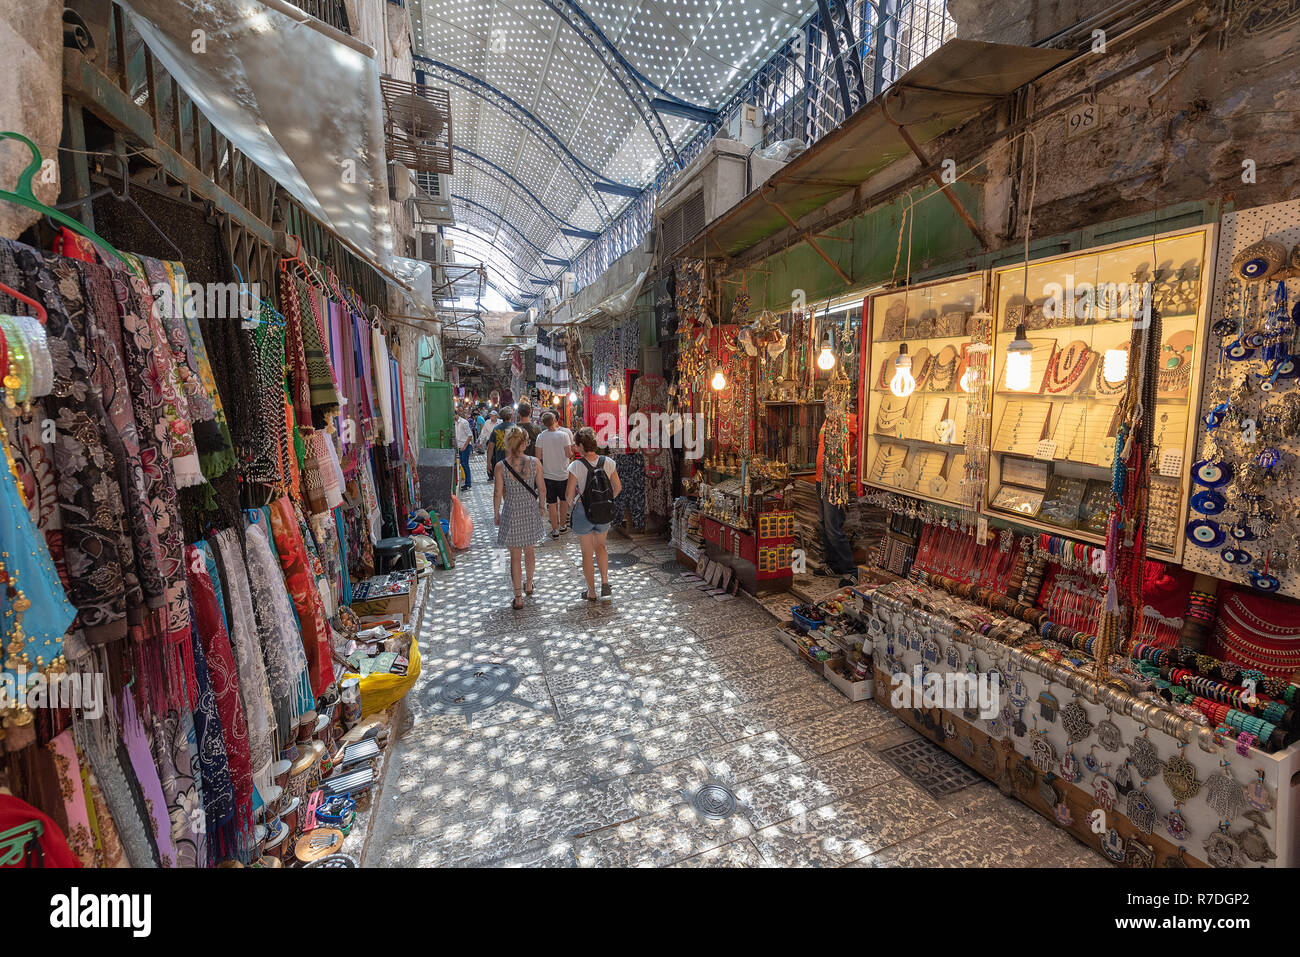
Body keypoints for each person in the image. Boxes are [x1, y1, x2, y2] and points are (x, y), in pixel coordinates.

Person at [493, 426, 547, 610]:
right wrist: (542, 506)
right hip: (530, 511)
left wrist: (496, 513)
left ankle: (518, 597)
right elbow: (542, 488)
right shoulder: (535, 462)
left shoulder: (501, 466)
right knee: (529, 550)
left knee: (514, 557)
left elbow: (498, 492)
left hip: (511, 512)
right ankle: (529, 584)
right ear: (523, 444)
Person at [565, 426, 621, 602]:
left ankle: (591, 592)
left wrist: (573, 506)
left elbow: (568, 494)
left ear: (581, 446)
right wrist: (608, 500)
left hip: (584, 512)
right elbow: (618, 487)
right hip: (604, 510)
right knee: (601, 547)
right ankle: (605, 583)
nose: (575, 448)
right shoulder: (609, 462)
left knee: (587, 553)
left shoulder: (576, 465)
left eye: (576, 445)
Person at [815, 412, 858, 586]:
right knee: (823, 524)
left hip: (837, 481)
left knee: (834, 528)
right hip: (820, 478)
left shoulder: (852, 420)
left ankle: (851, 571)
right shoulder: (827, 419)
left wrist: (851, 461)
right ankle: (834, 565)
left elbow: (863, 447)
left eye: (830, 396)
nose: (827, 400)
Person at [535, 410, 575, 538]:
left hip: (548, 475)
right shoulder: (563, 435)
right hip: (563, 474)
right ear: (555, 421)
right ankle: (563, 525)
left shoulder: (541, 437)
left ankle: (555, 529)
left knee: (551, 503)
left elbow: (537, 456)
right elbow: (569, 454)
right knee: (563, 501)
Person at [486, 407, 513, 480]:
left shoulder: (496, 429)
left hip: (500, 462)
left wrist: (488, 462)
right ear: (511, 415)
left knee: (501, 485)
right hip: (514, 462)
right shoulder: (516, 428)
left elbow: (490, 447)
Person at [454, 410, 473, 491]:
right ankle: (466, 483)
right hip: (459, 446)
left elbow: (470, 435)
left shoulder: (464, 422)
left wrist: (465, 446)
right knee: (462, 464)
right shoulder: (454, 423)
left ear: (456, 414)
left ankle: (468, 484)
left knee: (465, 464)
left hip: (465, 446)